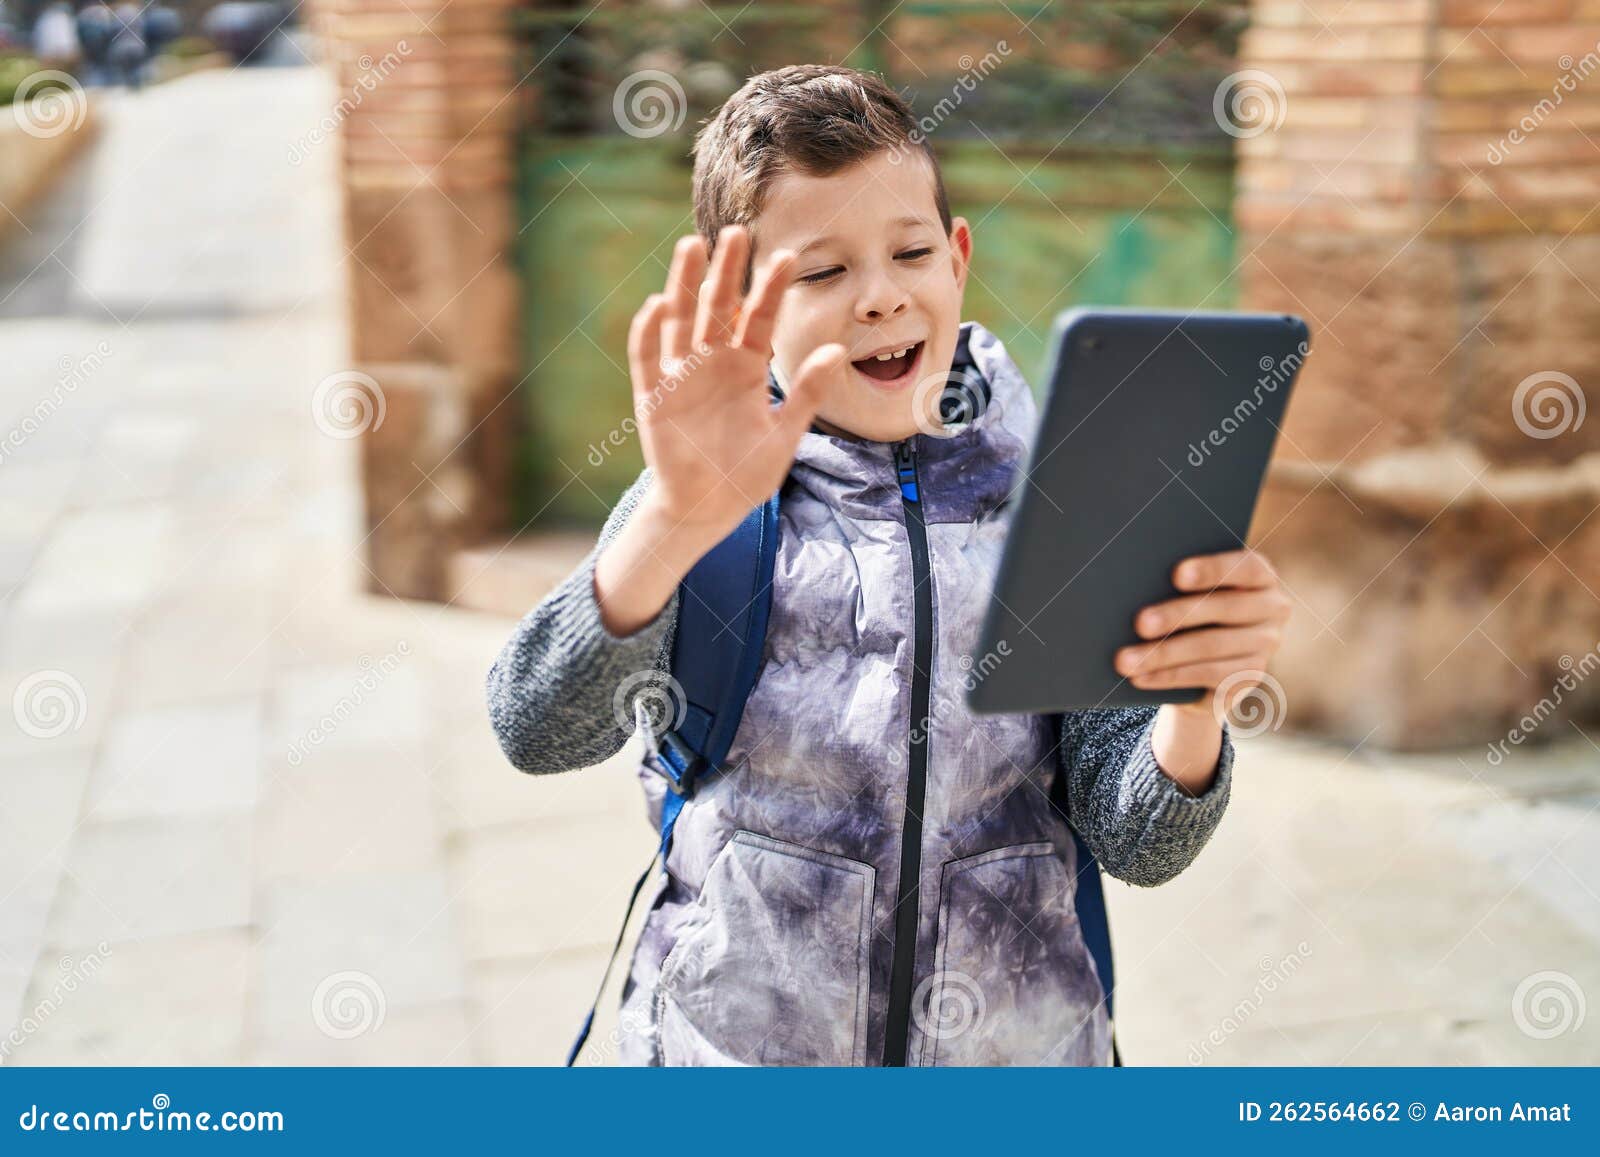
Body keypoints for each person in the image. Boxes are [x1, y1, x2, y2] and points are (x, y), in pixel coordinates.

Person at [485, 64, 1291, 1067]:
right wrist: (670, 523)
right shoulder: (704, 505)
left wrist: (1193, 698)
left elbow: (1139, 842)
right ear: (741, 301)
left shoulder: (1063, 491)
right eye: (819, 273)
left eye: (908, 251)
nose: (879, 297)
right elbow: (535, 728)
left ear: (955, 259)